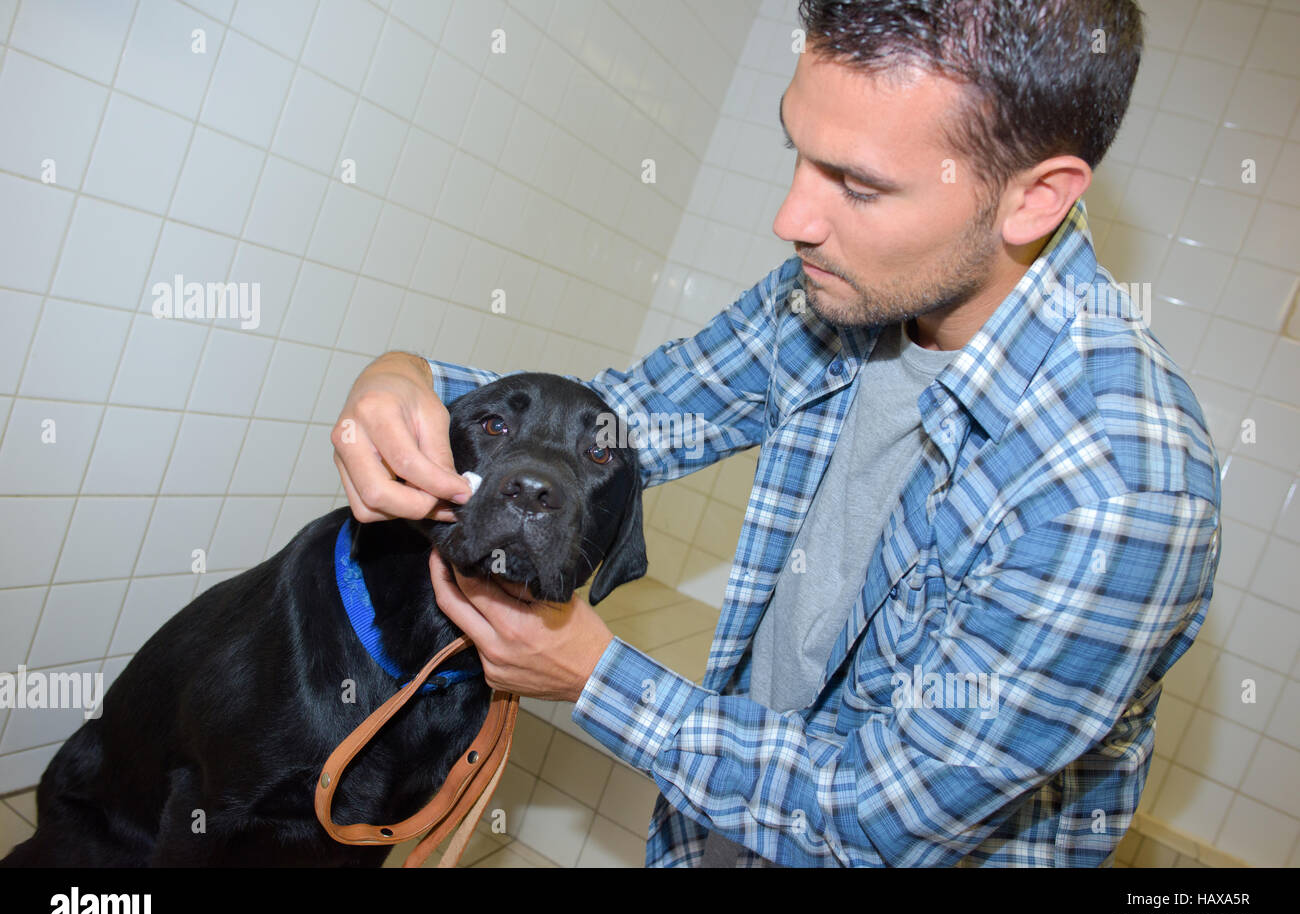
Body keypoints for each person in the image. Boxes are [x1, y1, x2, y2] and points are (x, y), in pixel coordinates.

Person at [332, 0, 1221, 867]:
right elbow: (623, 420)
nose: (792, 219)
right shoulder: (846, 288)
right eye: (800, 152)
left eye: (859, 184)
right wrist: (409, 378)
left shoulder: (1120, 491)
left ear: (1034, 201)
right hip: (721, 816)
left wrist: (596, 677)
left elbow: (874, 821)